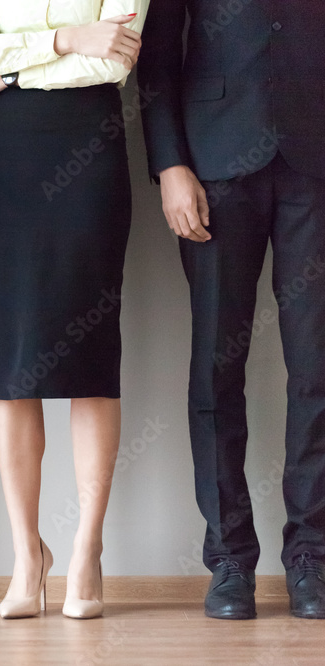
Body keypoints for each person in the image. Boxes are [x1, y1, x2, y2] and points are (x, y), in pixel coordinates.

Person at [0, 0, 148, 619]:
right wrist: (67, 37)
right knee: (13, 367)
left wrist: (7, 71)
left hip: (89, 147)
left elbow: (112, 63)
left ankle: (87, 550)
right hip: (4, 160)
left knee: (91, 361)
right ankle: (26, 556)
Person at [139, 1, 325, 620]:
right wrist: (169, 164)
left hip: (315, 167)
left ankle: (312, 559)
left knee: (317, 369)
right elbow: (157, 61)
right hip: (215, 165)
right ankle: (228, 559)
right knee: (217, 370)